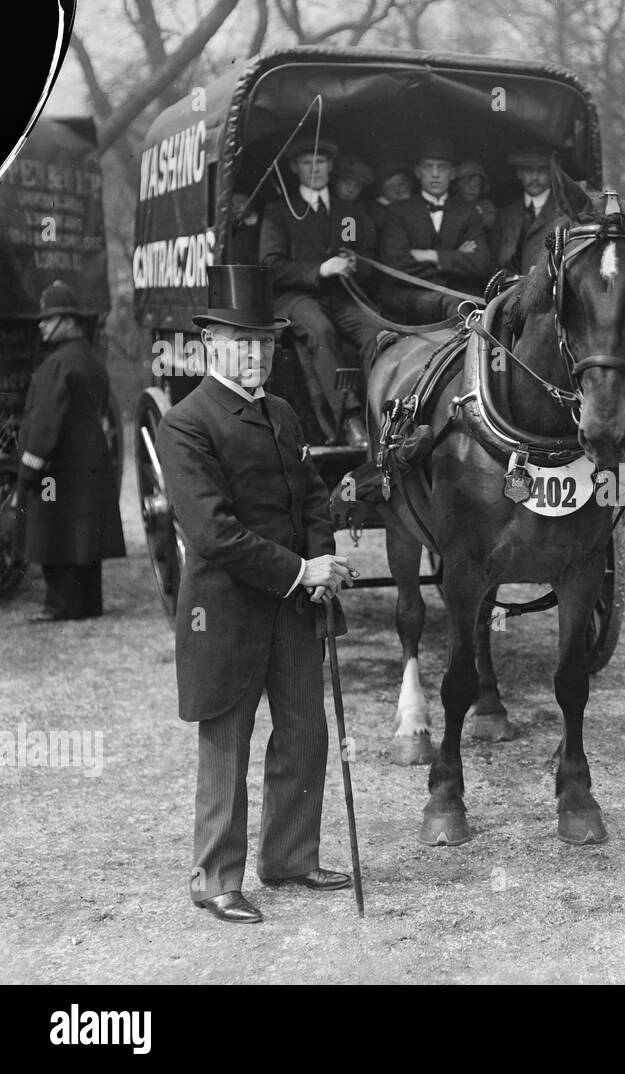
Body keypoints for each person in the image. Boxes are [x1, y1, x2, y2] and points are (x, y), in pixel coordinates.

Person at [156, 264, 356, 925]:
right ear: (211, 346)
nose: (255, 356)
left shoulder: (283, 413)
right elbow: (212, 534)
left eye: (265, 344)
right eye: (242, 344)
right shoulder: (186, 424)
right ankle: (215, 878)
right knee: (227, 741)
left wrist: (323, 552)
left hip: (293, 607)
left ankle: (290, 858)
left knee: (304, 733)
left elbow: (312, 496)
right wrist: (301, 570)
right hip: (227, 611)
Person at [15, 281, 125, 621]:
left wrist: (30, 469)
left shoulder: (56, 365)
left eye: (49, 318)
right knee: (84, 540)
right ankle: (89, 605)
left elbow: (45, 423)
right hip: (91, 465)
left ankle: (59, 606)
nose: (41, 324)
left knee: (55, 536)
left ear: (68, 321)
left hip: (58, 470)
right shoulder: (90, 361)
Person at [259, 137, 376, 446]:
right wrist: (320, 269)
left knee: (376, 333)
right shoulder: (279, 212)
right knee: (321, 331)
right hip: (296, 299)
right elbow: (270, 266)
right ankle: (349, 419)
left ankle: (380, 413)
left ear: (331, 166)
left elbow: (367, 258)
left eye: (320, 162)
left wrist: (354, 263)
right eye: (307, 163)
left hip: (341, 297)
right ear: (295, 169)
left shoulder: (348, 211)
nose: (315, 169)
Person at [378, 137, 490, 323]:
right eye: (428, 167)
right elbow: (396, 264)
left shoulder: (468, 212)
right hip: (409, 297)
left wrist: (431, 255)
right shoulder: (397, 211)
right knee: (460, 307)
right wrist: (456, 257)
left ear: (452, 173)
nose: (435, 174)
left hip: (459, 296)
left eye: (442, 167)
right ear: (418, 172)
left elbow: (481, 263)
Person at [493, 146, 562, 275]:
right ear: (519, 173)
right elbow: (493, 264)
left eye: (541, 170)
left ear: (551, 173)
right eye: (529, 170)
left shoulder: (562, 214)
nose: (535, 177)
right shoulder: (505, 215)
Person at [452, 159, 497, 235]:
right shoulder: (448, 204)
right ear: (456, 185)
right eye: (467, 183)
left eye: (477, 184)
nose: (472, 188)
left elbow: (495, 223)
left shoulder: (486, 206)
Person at [225, 191, 261, 265]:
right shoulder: (231, 231)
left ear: (252, 201)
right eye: (232, 204)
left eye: (241, 202)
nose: (236, 207)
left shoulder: (265, 225)